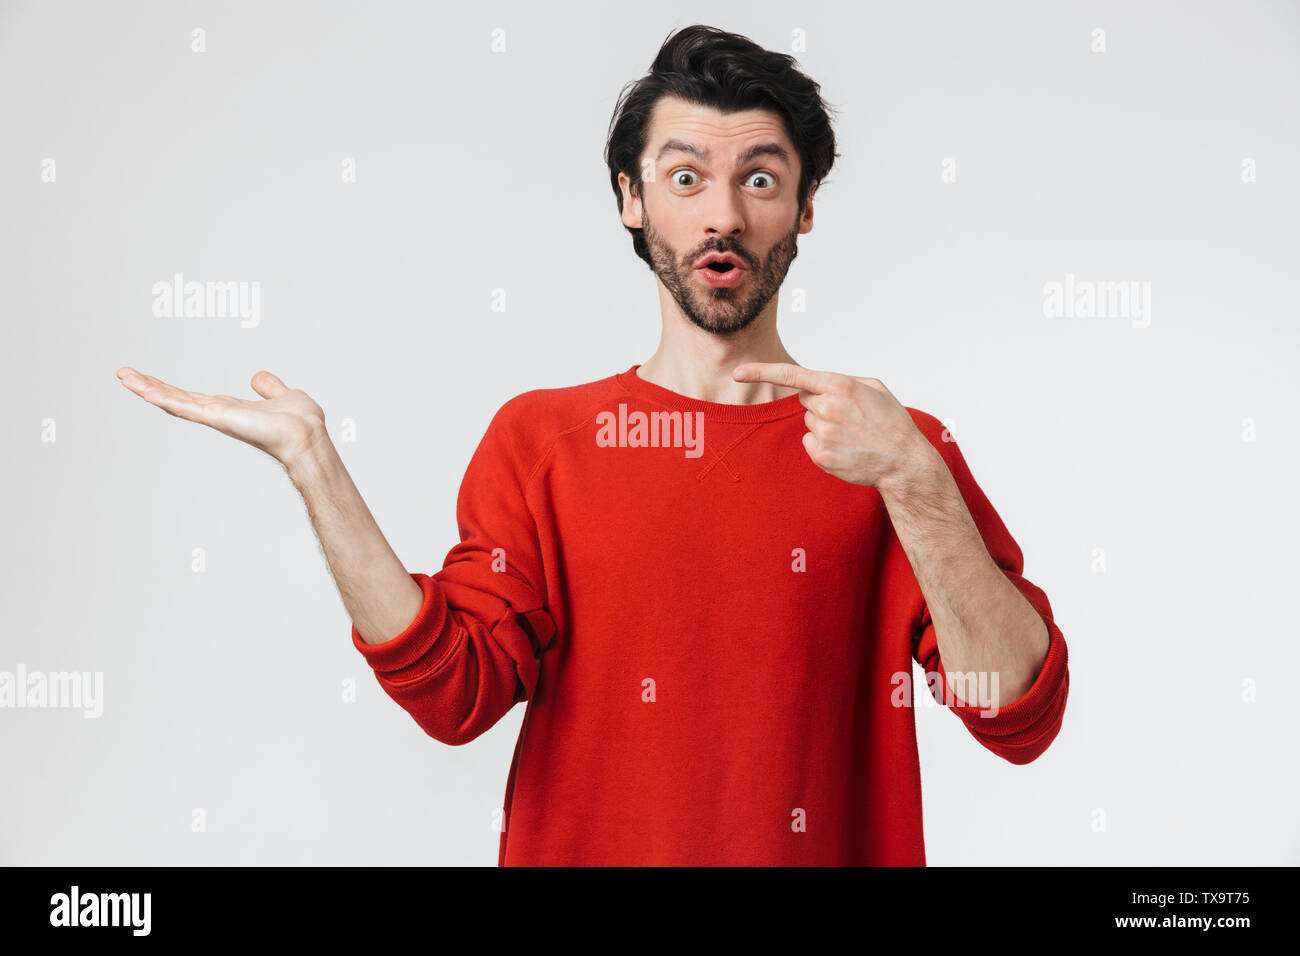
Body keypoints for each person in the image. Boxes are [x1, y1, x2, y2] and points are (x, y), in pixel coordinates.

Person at [117, 24, 1068, 865]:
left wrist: (914, 480)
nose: (723, 215)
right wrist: (315, 469)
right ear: (631, 198)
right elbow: (454, 694)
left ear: (805, 208)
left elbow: (1018, 713)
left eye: (762, 179)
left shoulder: (890, 448)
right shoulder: (543, 441)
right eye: (685, 176)